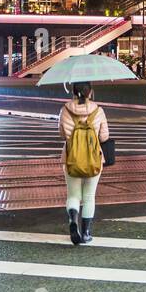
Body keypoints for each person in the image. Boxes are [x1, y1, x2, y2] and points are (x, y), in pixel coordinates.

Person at [59, 81, 110, 245]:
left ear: (73, 92)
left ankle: (73, 221)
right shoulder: (98, 111)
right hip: (94, 158)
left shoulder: (65, 109)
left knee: (73, 195)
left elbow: (62, 134)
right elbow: (104, 137)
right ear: (90, 92)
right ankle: (86, 232)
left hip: (70, 157)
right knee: (89, 196)